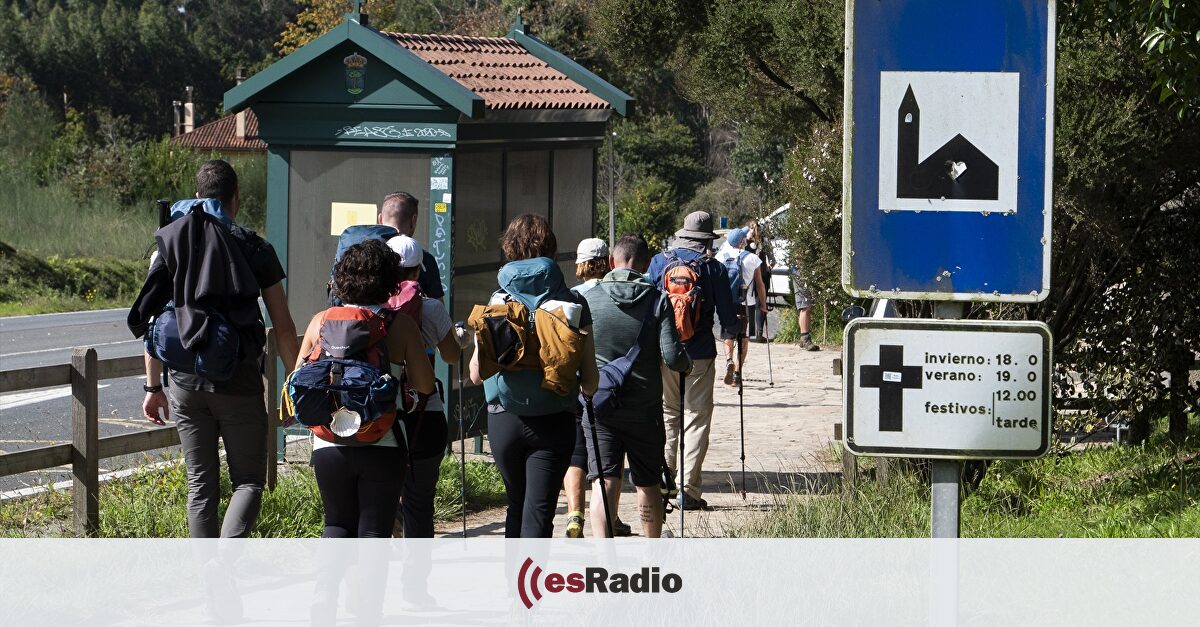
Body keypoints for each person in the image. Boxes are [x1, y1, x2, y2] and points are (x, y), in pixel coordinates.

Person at [131, 159, 300, 538]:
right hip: (237, 379)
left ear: (196, 197)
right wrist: (294, 380)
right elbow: (284, 328)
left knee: (200, 485)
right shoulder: (256, 247)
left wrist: (153, 387)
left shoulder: (169, 243)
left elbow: (156, 322)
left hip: (184, 383)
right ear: (236, 197)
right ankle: (225, 559)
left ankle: (208, 577)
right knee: (248, 482)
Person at [469, 214, 600, 537]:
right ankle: (531, 585)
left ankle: (514, 585)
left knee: (516, 503)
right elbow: (591, 382)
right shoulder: (573, 301)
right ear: (551, 250)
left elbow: (475, 374)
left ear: (510, 249)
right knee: (539, 511)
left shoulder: (497, 302)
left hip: (504, 419)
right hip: (554, 419)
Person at [296, 239, 436, 538]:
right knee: (374, 532)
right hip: (383, 440)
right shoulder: (400, 326)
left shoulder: (319, 322)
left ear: (341, 278)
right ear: (390, 281)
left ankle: (326, 587)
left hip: (328, 442)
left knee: (336, 524)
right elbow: (425, 385)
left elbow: (297, 378)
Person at [582, 235, 691, 538]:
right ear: (645, 264)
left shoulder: (589, 300)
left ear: (611, 262)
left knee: (603, 481)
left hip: (599, 405)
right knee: (647, 482)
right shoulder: (657, 300)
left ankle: (604, 559)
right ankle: (651, 555)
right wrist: (687, 363)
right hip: (644, 408)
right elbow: (671, 356)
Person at [647, 211, 738, 511]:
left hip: (665, 353)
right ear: (707, 239)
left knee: (668, 414)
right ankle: (689, 490)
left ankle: (664, 480)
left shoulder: (660, 263)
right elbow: (727, 318)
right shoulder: (714, 268)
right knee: (696, 419)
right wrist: (733, 345)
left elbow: (647, 307)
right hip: (700, 353)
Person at [385, 235, 466, 537]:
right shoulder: (430, 308)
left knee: (378, 498)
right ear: (419, 272)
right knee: (420, 506)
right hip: (424, 413)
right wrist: (457, 336)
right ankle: (416, 581)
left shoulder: (371, 306)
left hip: (382, 413)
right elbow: (452, 355)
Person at [563, 237, 633, 537]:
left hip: (573, 384)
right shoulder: (612, 294)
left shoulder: (569, 296)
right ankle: (610, 517)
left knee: (577, 452)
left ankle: (574, 514)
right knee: (608, 458)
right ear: (607, 262)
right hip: (607, 385)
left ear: (579, 264)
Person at [716, 227, 768, 387]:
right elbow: (760, 285)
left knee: (728, 336)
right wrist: (764, 306)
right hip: (747, 303)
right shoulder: (753, 259)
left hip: (727, 304)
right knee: (743, 337)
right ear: (742, 241)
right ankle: (738, 372)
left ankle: (729, 360)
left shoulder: (720, 257)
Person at [379, 191, 444, 300]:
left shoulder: (364, 255)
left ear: (380, 219)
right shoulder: (425, 259)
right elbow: (438, 307)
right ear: (414, 220)